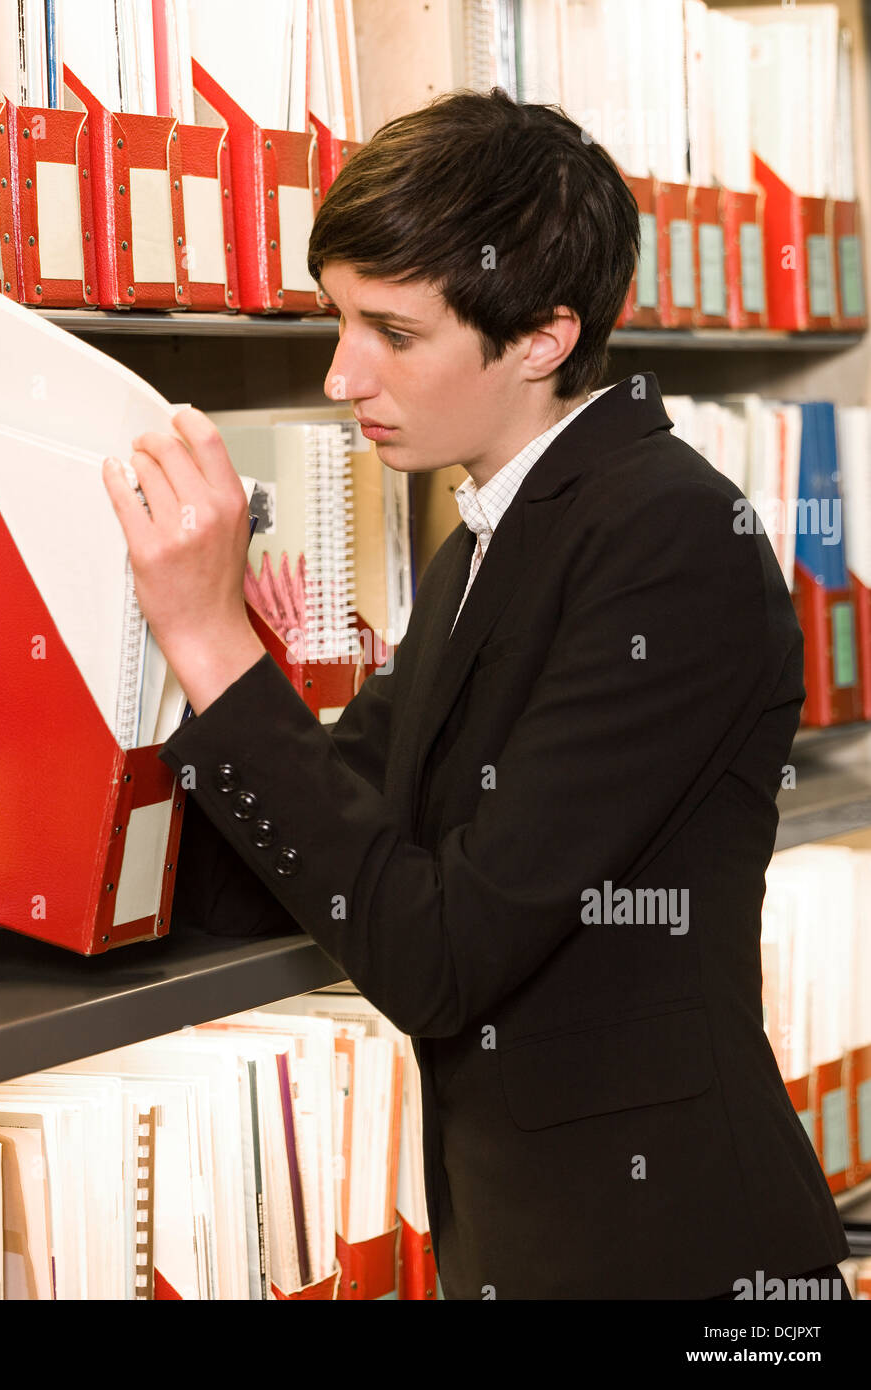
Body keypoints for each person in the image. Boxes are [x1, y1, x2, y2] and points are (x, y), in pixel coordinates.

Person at [102, 89, 851, 1299]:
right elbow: (306, 861)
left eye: (393, 332)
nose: (344, 373)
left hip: (680, 1265)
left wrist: (206, 635)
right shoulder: (495, 538)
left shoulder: (668, 538)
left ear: (544, 338)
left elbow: (438, 953)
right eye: (338, 319)